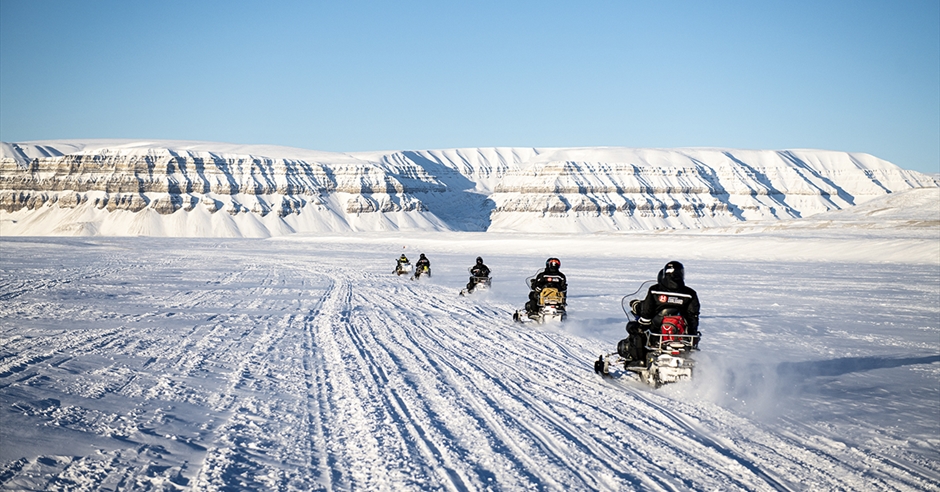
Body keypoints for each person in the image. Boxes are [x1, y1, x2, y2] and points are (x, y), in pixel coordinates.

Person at [625, 261, 700, 364]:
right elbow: (693, 315)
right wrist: (692, 333)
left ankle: (640, 360)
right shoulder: (689, 293)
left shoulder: (655, 290)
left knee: (634, 329)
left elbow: (647, 311)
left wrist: (642, 325)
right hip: (679, 332)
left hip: (657, 329)